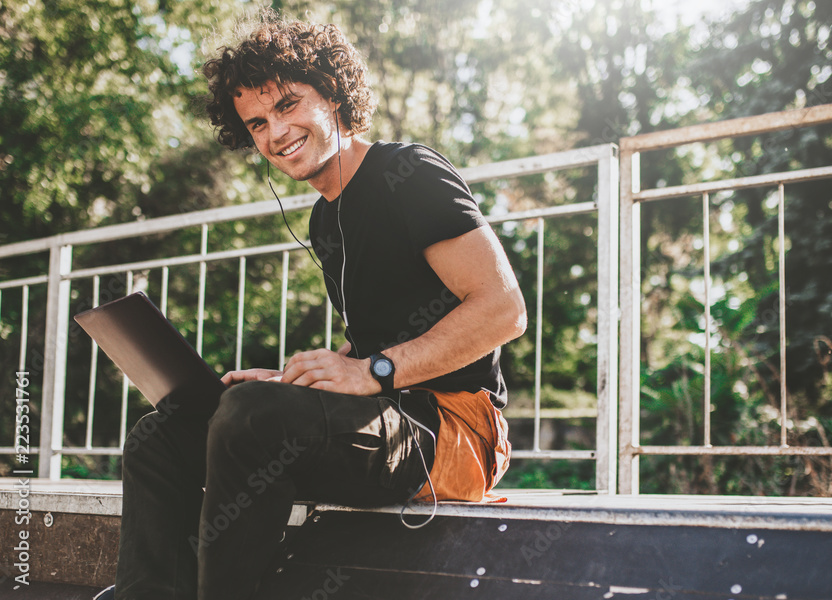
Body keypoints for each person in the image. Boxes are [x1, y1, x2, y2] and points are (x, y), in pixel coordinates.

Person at [100, 11, 526, 600]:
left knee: (252, 417)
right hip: (383, 415)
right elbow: (379, 336)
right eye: (257, 123)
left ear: (333, 93)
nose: (275, 132)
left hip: (454, 431)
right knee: (161, 437)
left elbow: (504, 309)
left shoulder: (410, 175)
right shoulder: (325, 218)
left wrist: (372, 371)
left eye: (288, 105)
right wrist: (289, 384)